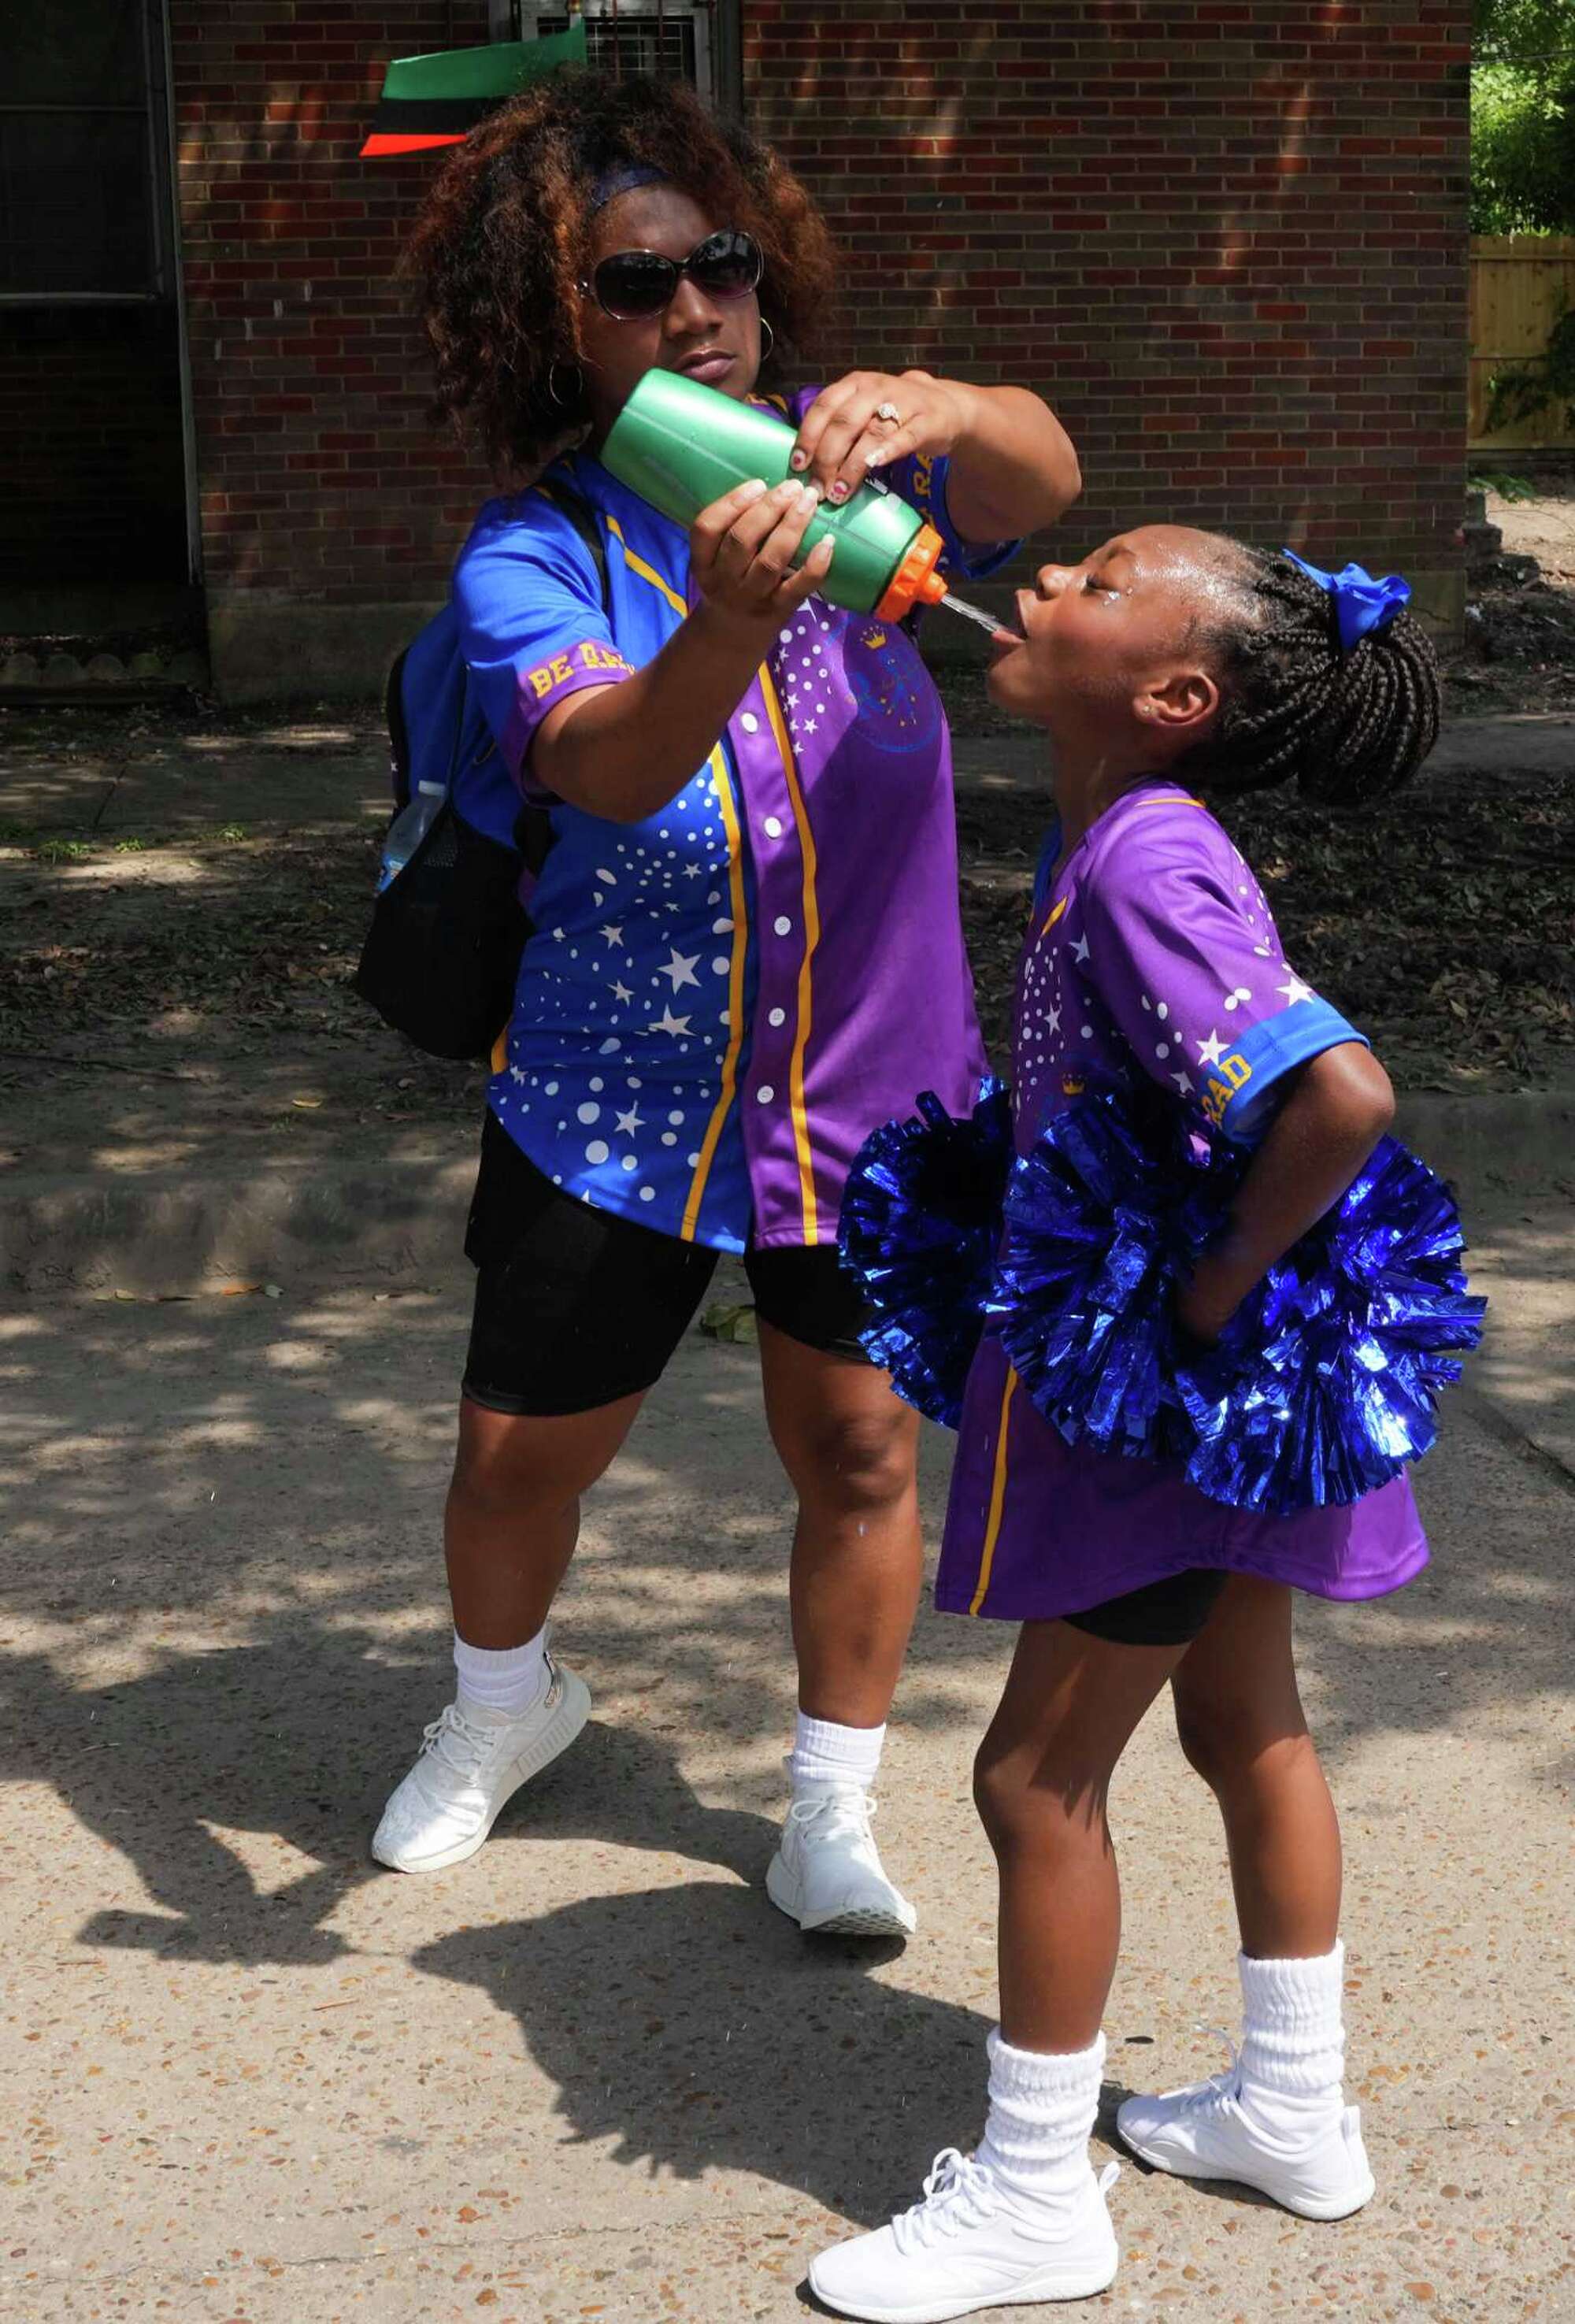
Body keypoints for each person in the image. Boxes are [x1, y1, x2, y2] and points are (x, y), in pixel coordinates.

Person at [369, 72, 1081, 1942]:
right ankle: (502, 1710)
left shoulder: (868, 475)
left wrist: (949, 406)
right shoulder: (533, 553)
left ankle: (828, 1807)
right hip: (614, 1095)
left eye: (724, 265)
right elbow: (604, 764)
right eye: (634, 283)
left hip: (878, 1097)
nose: (694, 308)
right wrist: (725, 622)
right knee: (515, 1458)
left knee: (859, 1452)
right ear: (556, 324)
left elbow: (1044, 482)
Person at [809, 530, 1443, 2317]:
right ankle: (1293, 2113)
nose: (1044, 581)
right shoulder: (1131, 833)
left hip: (1167, 1395)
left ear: (1173, 695)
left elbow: (1339, 1093)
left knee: (1034, 1779)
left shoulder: (1149, 855)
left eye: (1095, 582)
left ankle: (1032, 2199)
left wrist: (1216, 1287)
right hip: (1234, 1397)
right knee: (1246, 1722)